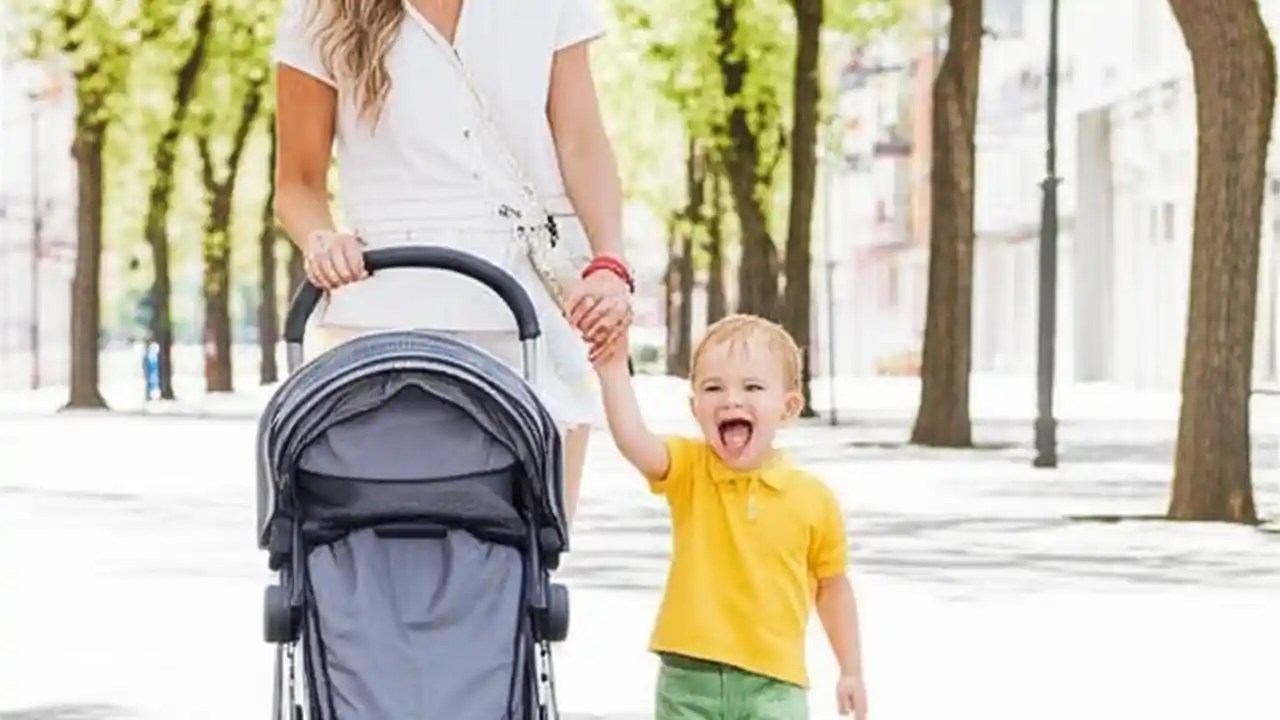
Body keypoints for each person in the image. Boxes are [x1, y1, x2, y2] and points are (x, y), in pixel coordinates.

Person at [271, 0, 633, 524]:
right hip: (388, 307)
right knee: (380, 535)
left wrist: (609, 261)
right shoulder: (323, 12)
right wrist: (322, 239)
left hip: (527, 308)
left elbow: (581, 143)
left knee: (533, 550)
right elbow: (296, 184)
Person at [595, 314, 869, 719]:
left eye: (753, 387)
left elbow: (833, 588)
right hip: (689, 679)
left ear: (789, 407)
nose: (731, 400)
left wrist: (851, 670)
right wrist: (613, 370)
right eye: (713, 388)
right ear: (695, 406)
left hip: (774, 687)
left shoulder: (813, 498)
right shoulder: (689, 469)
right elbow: (634, 440)